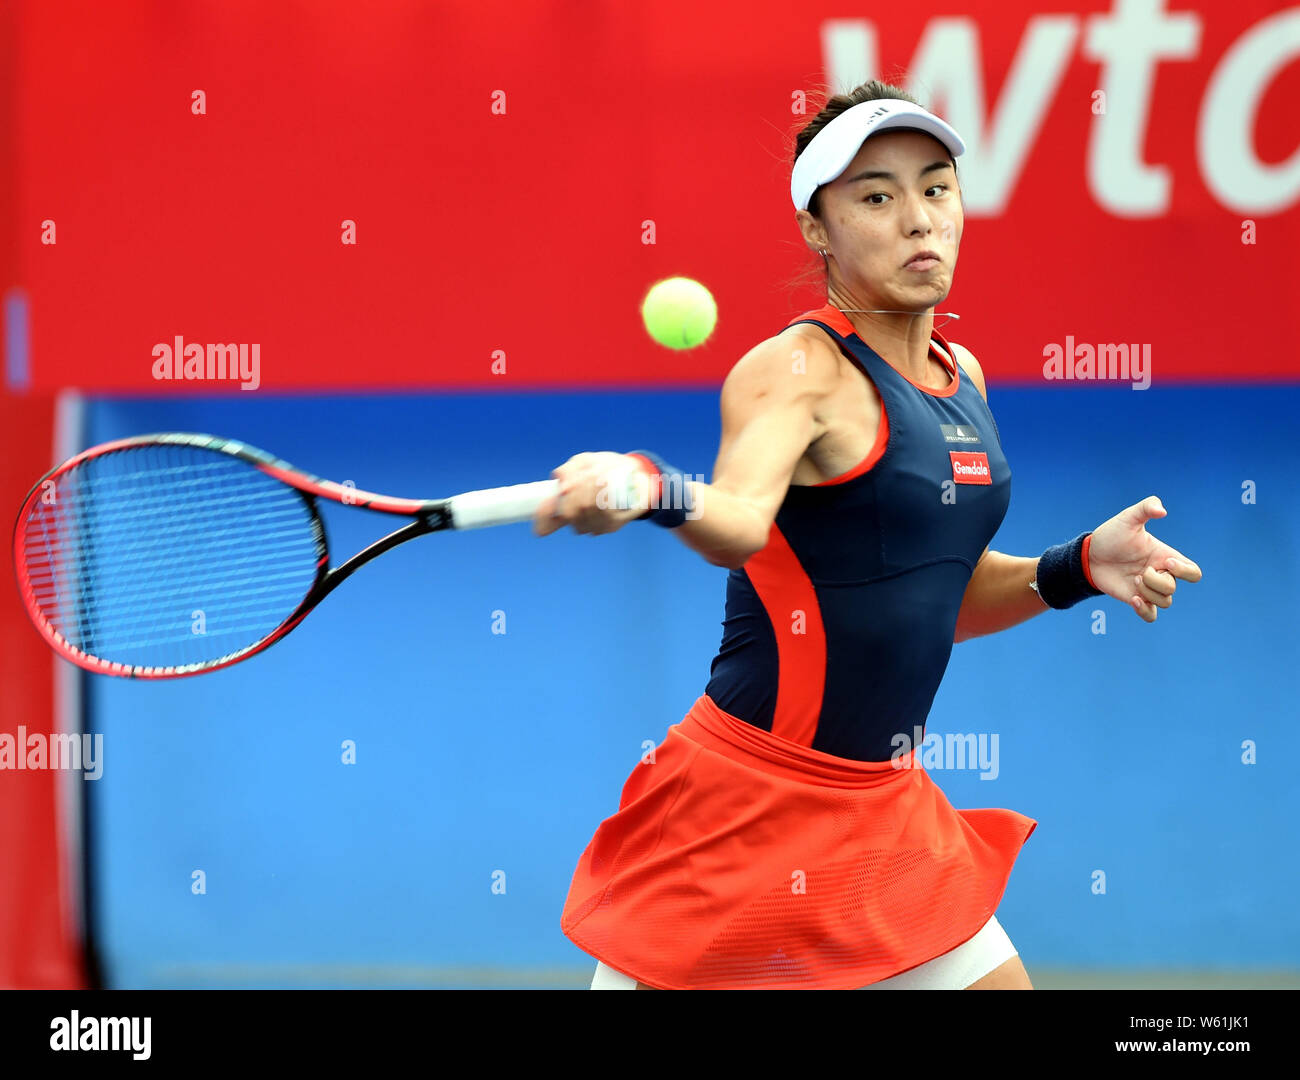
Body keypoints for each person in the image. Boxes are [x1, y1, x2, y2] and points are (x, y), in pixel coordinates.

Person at [533, 80, 1203, 990]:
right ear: (820, 227)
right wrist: (650, 487)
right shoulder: (796, 370)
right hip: (743, 812)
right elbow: (736, 524)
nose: (918, 218)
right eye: (877, 197)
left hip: (886, 813)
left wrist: (1075, 567)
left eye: (936, 186)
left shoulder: (957, 373)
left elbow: (933, 596)